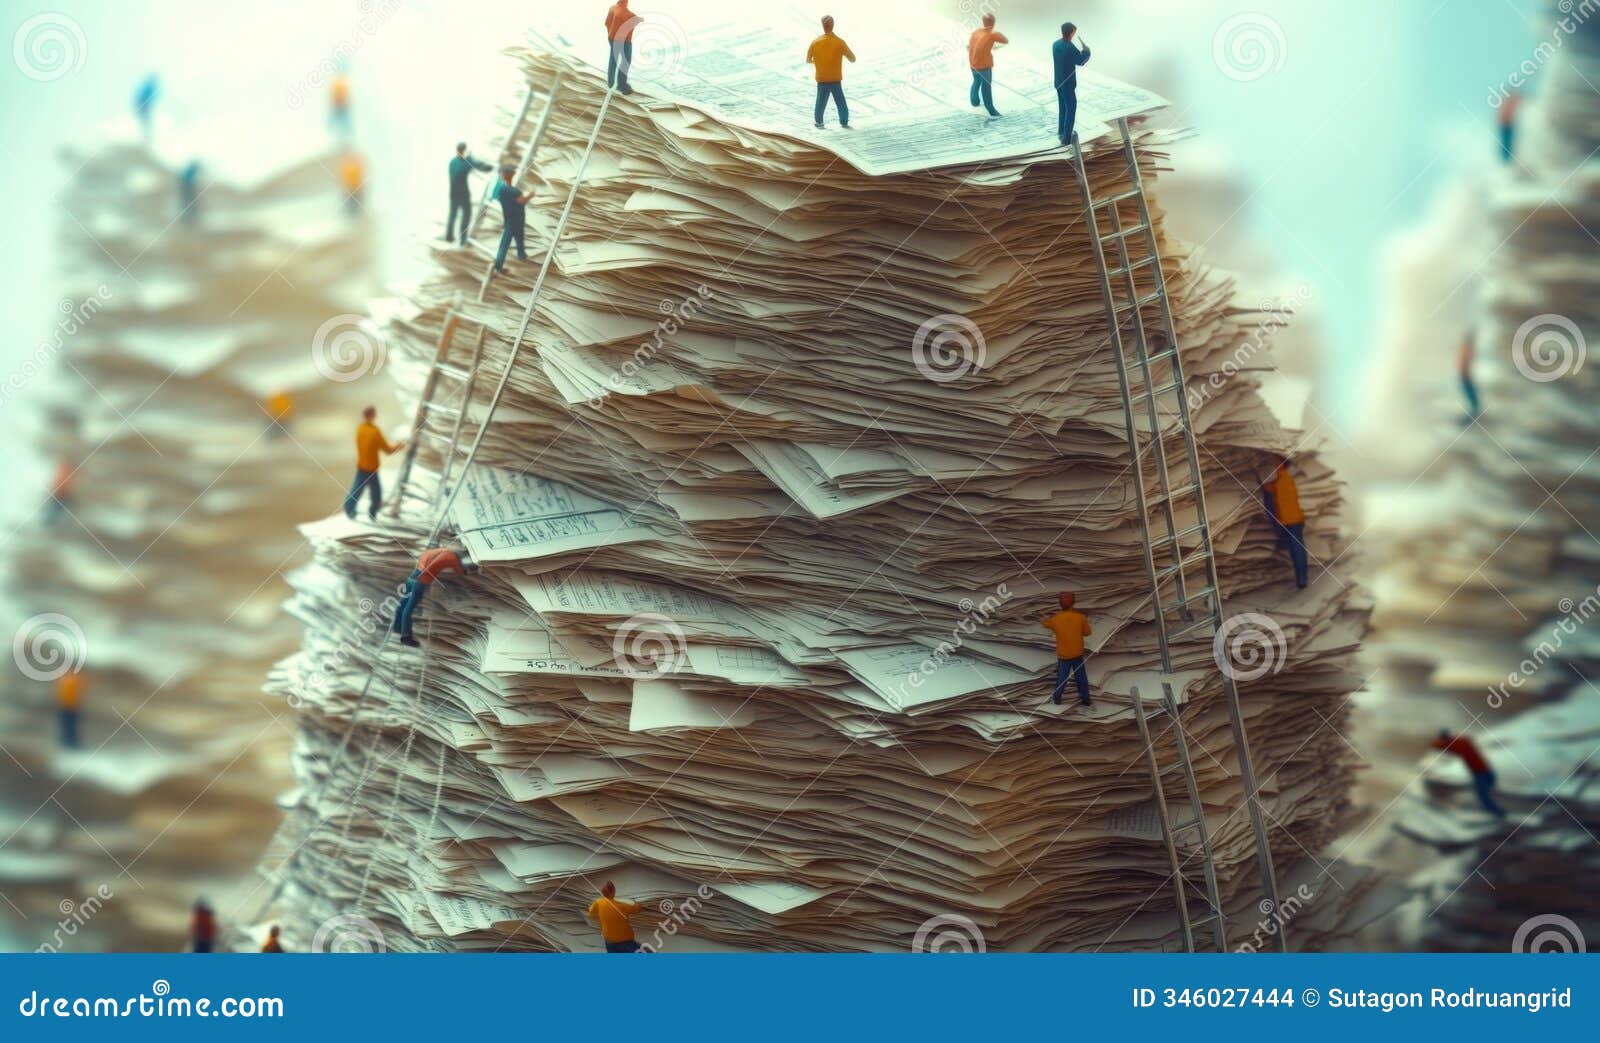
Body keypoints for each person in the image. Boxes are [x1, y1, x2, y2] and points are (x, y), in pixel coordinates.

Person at [392, 547, 478, 647]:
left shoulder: (433, 552)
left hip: (411, 578)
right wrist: (473, 569)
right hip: (419, 582)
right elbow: (460, 571)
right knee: (409, 609)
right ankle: (406, 637)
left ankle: (397, 628)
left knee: (402, 605)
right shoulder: (453, 557)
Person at [345, 406, 401, 522]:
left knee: (356, 490)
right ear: (372, 415)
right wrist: (400, 445)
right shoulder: (375, 431)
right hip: (371, 468)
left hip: (362, 466)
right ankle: (372, 514)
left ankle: (351, 509)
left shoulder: (360, 429)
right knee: (376, 494)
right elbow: (388, 450)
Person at [1432, 730, 1505, 817]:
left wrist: (1438, 742)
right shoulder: (1462, 741)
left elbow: (1439, 745)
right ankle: (1496, 806)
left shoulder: (1457, 744)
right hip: (1485, 769)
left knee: (1482, 793)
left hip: (1479, 771)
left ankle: (1496, 812)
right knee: (1489, 788)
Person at [1262, 457, 1308, 590]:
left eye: (1275, 461)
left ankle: (1301, 579)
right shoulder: (1285, 476)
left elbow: (1271, 491)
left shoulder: (1280, 477)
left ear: (1281, 463)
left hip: (1290, 521)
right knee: (1296, 549)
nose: (1273, 463)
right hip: (1295, 520)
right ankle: (1301, 578)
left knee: (1296, 550)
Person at [1041, 592, 1092, 706]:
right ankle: (1086, 699)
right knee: (1081, 677)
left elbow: (1046, 623)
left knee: (1062, 678)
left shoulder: (1056, 619)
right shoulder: (1080, 617)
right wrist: (1085, 623)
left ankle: (1057, 698)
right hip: (1077, 654)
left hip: (1063, 655)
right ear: (1073, 603)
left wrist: (1044, 618)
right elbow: (1088, 633)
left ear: (1060, 604)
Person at [806, 15, 856, 130]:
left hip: (822, 78)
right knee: (840, 101)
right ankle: (844, 122)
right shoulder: (839, 42)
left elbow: (808, 60)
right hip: (835, 78)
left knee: (820, 101)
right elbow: (852, 59)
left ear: (823, 25)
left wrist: (818, 61)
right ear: (833, 25)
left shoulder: (815, 42)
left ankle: (819, 122)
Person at [445, 143, 493, 247]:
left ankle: (449, 236)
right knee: (466, 215)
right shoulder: (467, 162)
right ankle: (462, 240)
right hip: (463, 194)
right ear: (463, 151)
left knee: (453, 214)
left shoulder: (452, 162)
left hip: (453, 193)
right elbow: (481, 167)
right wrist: (490, 167)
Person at [1051, 23, 1091, 147]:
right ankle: (1066, 138)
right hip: (1067, 84)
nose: (1074, 34)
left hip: (1058, 82)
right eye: (1074, 32)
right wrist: (1087, 52)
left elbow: (1069, 57)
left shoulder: (1056, 44)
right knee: (1071, 108)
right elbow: (1081, 61)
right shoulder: (1069, 47)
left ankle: (1061, 131)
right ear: (1071, 32)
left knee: (1062, 108)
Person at [492, 165, 532, 273]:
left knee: (509, 243)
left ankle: (519, 256)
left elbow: (496, 197)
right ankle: (502, 265)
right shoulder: (515, 191)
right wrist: (531, 195)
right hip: (517, 220)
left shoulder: (501, 191)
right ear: (512, 176)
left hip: (508, 220)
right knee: (514, 242)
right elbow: (521, 201)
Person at [968, 14, 1008, 119]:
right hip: (984, 66)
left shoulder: (975, 32)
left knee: (976, 81)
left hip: (973, 64)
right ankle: (991, 110)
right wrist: (993, 31)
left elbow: (969, 46)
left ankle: (974, 101)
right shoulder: (992, 34)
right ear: (993, 22)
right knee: (986, 87)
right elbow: (1005, 40)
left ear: (983, 22)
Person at [585, 881, 643, 953]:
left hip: (609, 941)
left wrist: (604, 917)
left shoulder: (598, 902)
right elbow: (637, 908)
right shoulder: (621, 906)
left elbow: (591, 913)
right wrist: (635, 902)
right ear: (613, 891)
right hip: (625, 941)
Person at [605, 1, 639, 95]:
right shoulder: (626, 13)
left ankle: (611, 83)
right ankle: (620, 85)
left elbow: (606, 23)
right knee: (625, 61)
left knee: (614, 60)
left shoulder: (612, 8)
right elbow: (629, 16)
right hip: (623, 41)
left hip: (614, 38)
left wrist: (610, 35)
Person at [56, 668, 84, 749]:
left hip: (71, 707)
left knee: (70, 725)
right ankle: (67, 741)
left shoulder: (71, 679)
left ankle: (70, 741)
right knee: (67, 725)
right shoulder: (69, 679)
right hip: (66, 706)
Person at [1458, 333, 1481, 423]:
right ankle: (1471, 417)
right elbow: (1464, 364)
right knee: (1474, 401)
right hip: (1466, 378)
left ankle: (1472, 416)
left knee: (1473, 401)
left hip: (1466, 377)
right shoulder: (1467, 349)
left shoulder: (1465, 349)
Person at [46, 459, 74, 525]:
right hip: (59, 494)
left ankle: (52, 524)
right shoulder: (65, 470)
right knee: (55, 511)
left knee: (56, 511)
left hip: (61, 494)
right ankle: (50, 524)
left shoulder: (65, 470)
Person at [1497, 90, 1521, 164]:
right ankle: (1506, 161)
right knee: (1506, 145)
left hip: (1509, 125)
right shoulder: (1507, 102)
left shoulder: (1509, 102)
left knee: (1511, 144)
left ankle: (1508, 161)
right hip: (1505, 126)